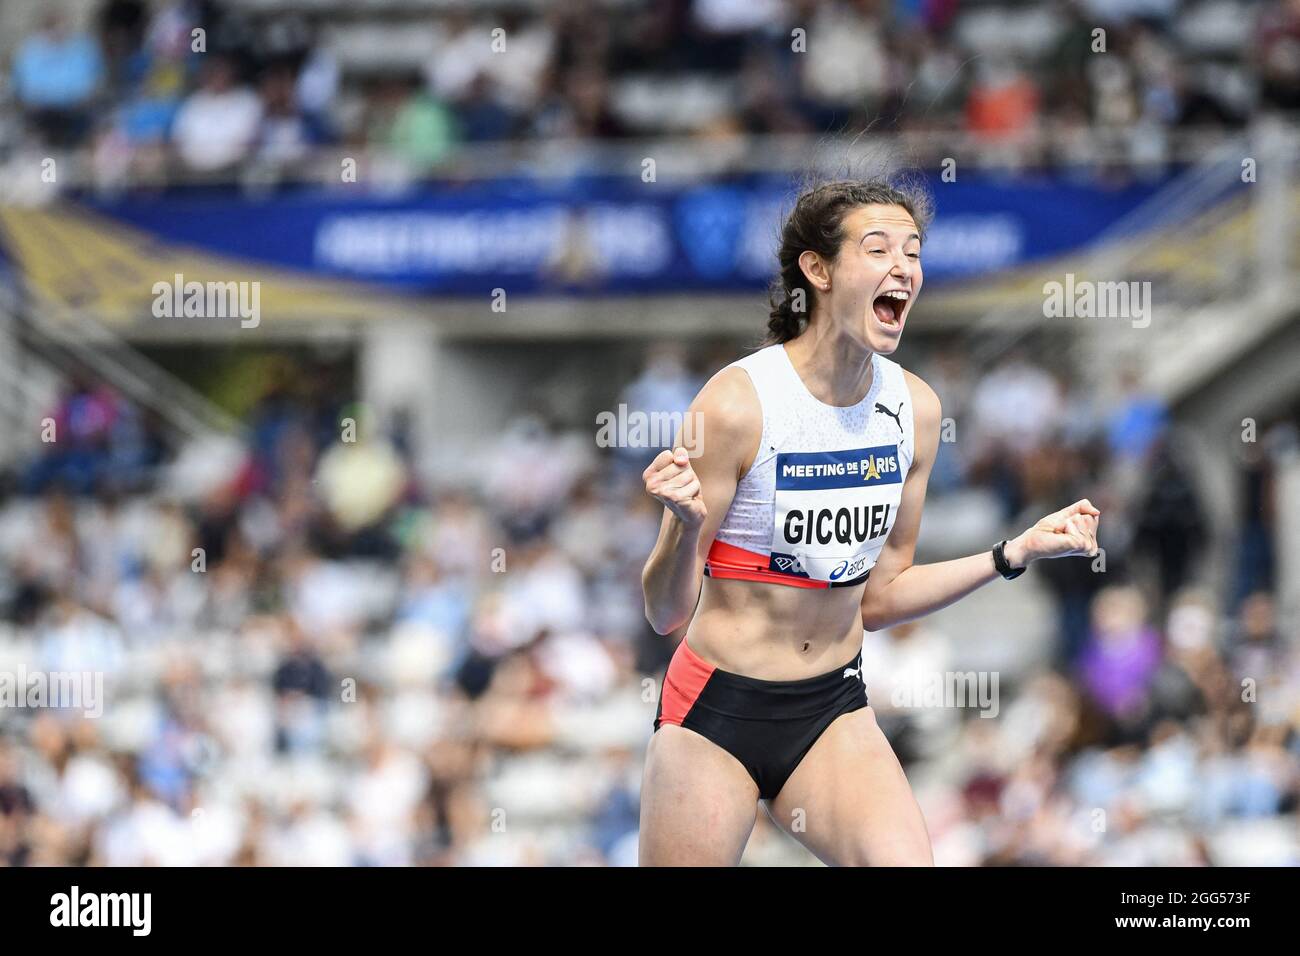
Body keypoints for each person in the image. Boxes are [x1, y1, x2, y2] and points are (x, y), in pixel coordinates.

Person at [638, 178, 1101, 866]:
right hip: (717, 710)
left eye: (913, 253)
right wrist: (680, 526)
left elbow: (882, 598)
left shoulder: (914, 410)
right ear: (817, 270)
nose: (903, 268)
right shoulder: (737, 404)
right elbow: (664, 611)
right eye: (877, 248)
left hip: (831, 708)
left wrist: (1014, 551)